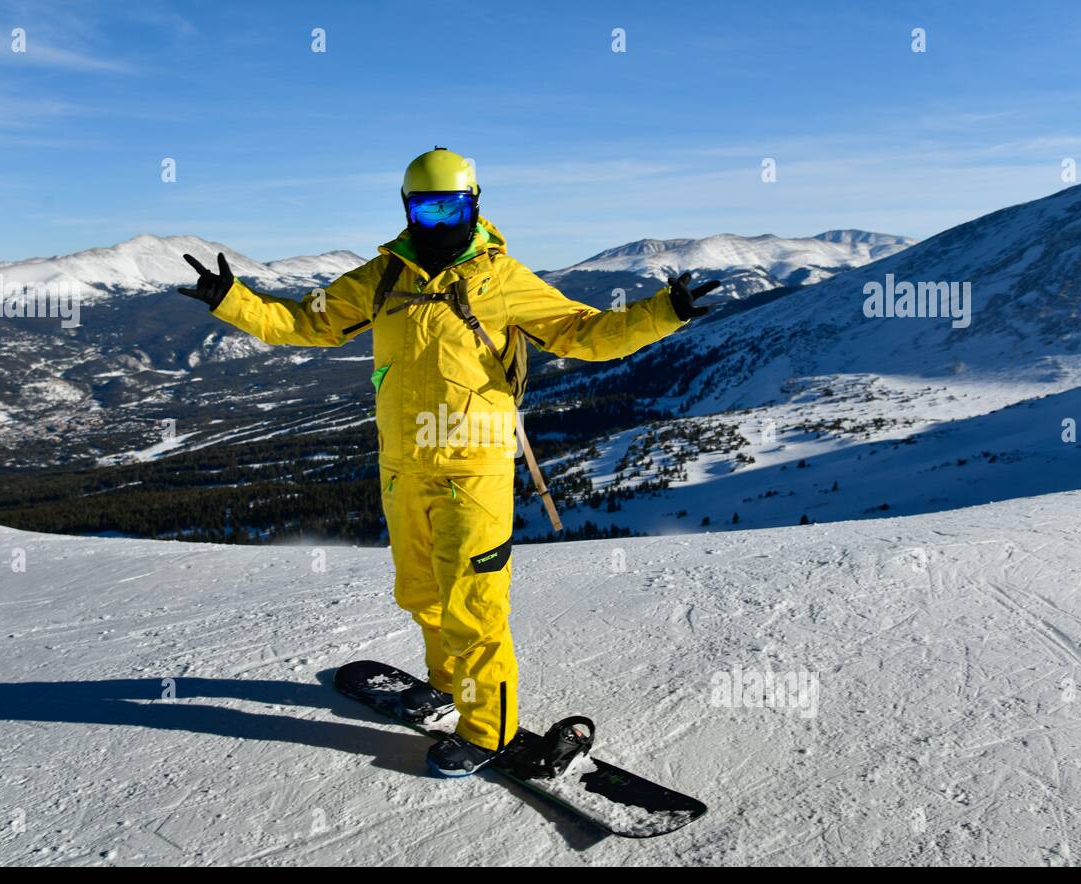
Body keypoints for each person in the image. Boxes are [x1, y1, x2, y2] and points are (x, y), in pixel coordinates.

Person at [179, 147, 719, 776]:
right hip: (403, 467)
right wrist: (233, 300)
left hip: (474, 469)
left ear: (474, 205)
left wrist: (663, 312)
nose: (437, 220)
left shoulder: (504, 279)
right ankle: (446, 685)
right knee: (423, 594)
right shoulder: (382, 278)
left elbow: (585, 334)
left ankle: (488, 730)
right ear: (407, 209)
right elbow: (308, 324)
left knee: (474, 606)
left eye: (450, 207)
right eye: (425, 207)